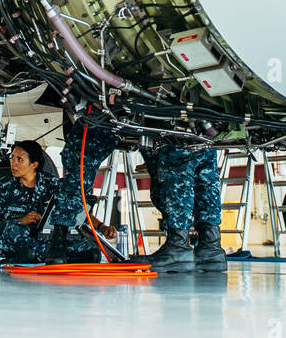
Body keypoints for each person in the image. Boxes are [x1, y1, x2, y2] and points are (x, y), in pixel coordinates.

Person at [138, 138, 226, 273]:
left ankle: (177, 246)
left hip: (176, 130)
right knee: (205, 172)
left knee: (176, 162)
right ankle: (210, 247)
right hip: (206, 129)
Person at [44, 108, 119, 264]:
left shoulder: (49, 181)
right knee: (76, 158)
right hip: (105, 114)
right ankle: (59, 245)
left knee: (80, 159)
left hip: (104, 114)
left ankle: (59, 243)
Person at [0, 140, 58, 262]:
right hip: (9, 247)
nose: (13, 163)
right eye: (12, 158)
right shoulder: (3, 187)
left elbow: (76, 210)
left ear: (34, 164)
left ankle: (44, 254)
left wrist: (99, 226)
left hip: (44, 237)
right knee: (14, 229)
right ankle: (44, 255)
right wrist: (21, 221)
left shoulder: (52, 184)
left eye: (19, 160)